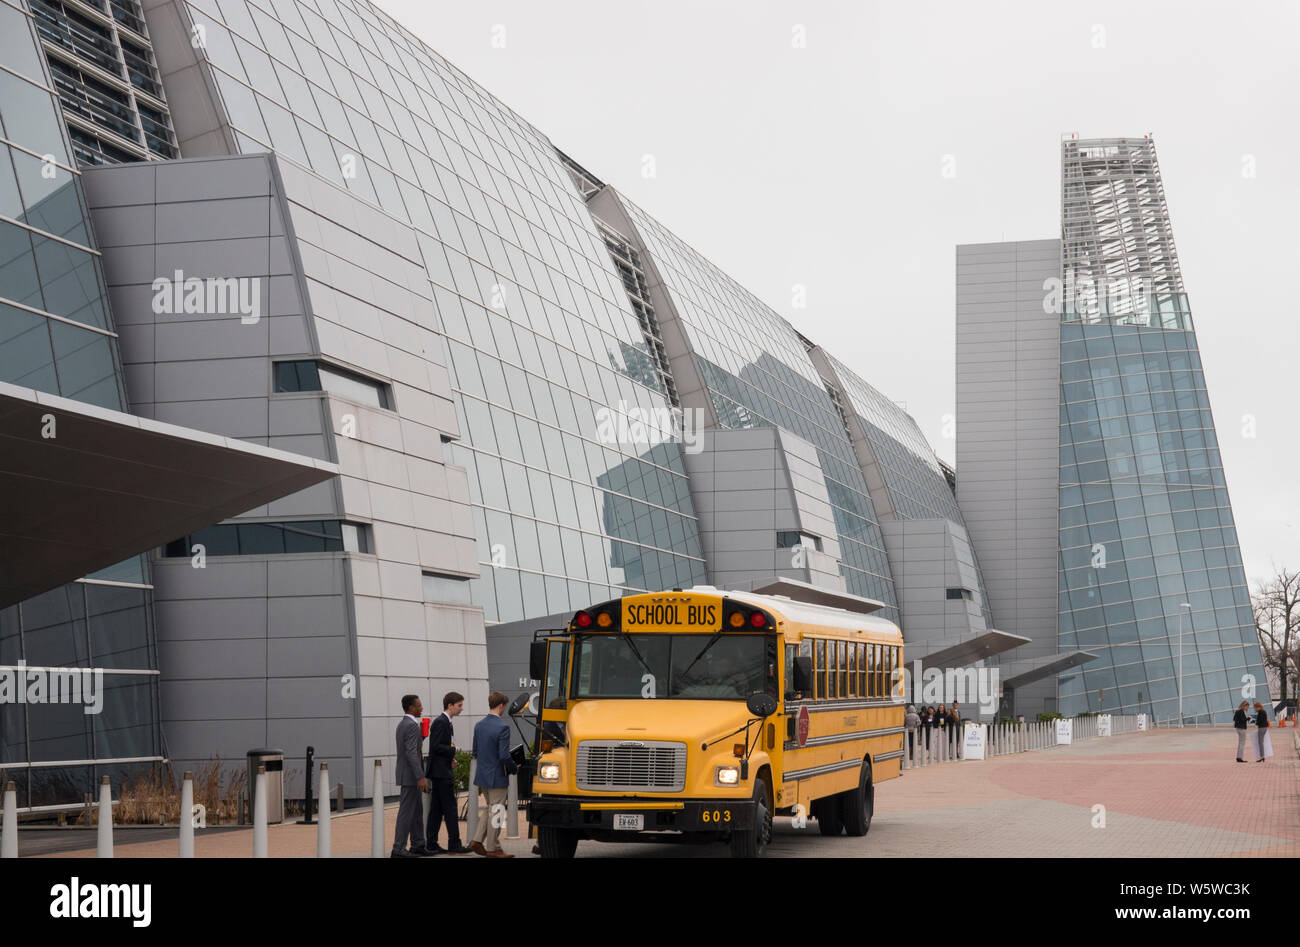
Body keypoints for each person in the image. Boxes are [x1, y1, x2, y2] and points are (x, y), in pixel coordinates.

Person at [469, 691, 515, 858]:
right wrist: (513, 767)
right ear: (501, 705)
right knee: (497, 811)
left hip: (483, 775)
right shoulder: (503, 727)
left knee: (491, 809)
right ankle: (493, 847)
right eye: (505, 706)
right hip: (497, 775)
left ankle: (477, 840)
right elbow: (503, 755)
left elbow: (475, 751)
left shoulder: (479, 725)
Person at [425, 691, 471, 854]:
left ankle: (431, 843)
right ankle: (454, 844)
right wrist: (453, 749)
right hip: (442, 773)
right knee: (450, 808)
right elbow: (436, 746)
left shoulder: (445, 722)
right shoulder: (441, 722)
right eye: (459, 705)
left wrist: (449, 757)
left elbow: (438, 749)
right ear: (450, 705)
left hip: (440, 770)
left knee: (437, 810)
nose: (461, 709)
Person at [391, 694, 429, 858]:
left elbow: (410, 747)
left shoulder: (403, 724)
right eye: (419, 706)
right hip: (411, 776)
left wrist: (422, 736)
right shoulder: (411, 726)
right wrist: (420, 777)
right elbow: (411, 753)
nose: (421, 708)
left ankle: (418, 844)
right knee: (406, 812)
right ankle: (398, 848)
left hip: (407, 774)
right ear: (411, 708)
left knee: (416, 811)